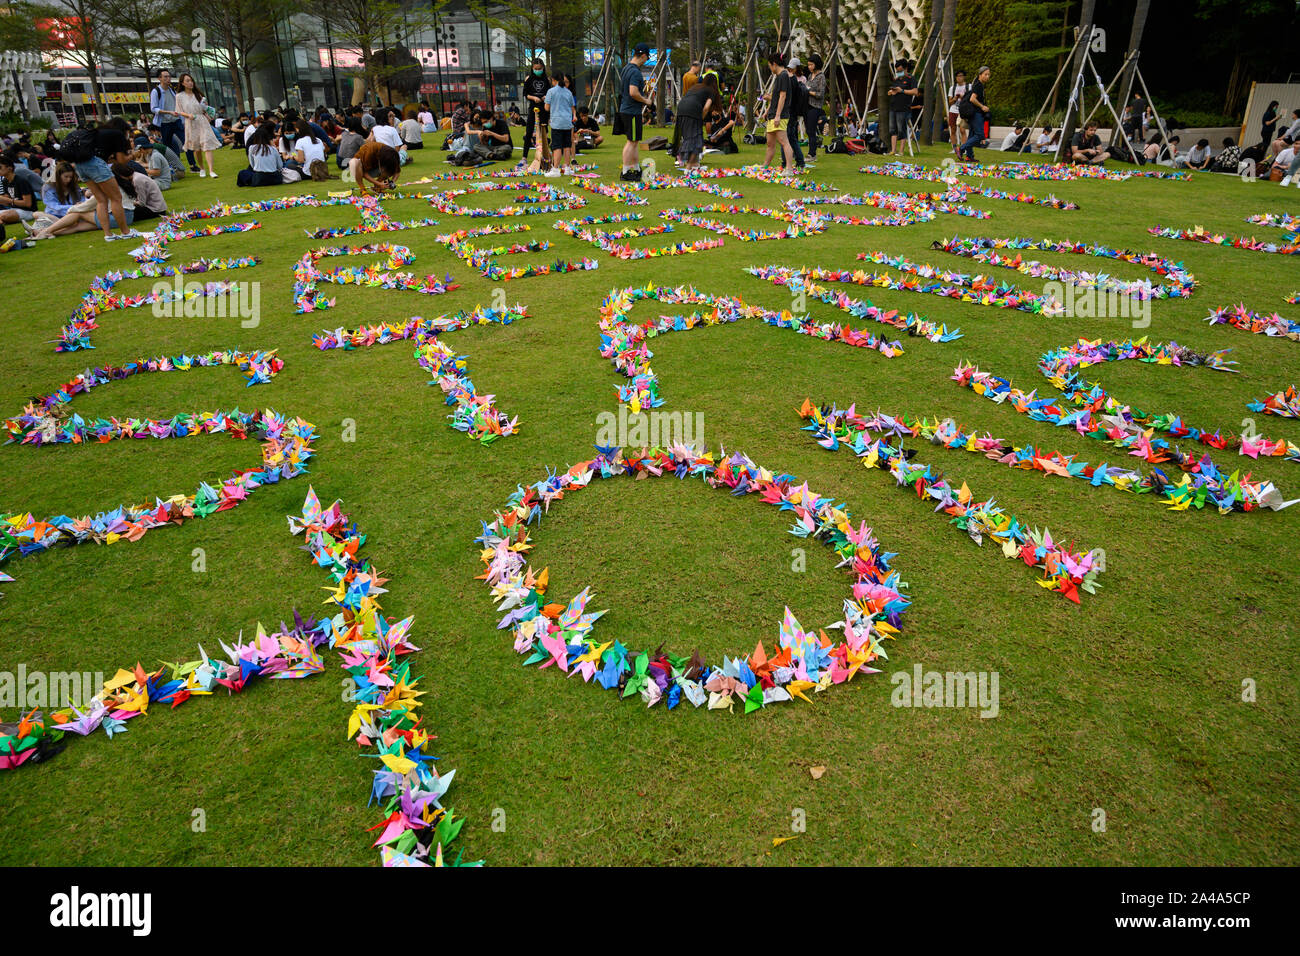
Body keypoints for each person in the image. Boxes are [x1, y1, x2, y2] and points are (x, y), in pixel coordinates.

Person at [618, 43, 654, 181]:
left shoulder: (626, 68)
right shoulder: (635, 72)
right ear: (643, 55)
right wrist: (646, 101)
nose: (646, 61)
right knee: (631, 142)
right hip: (632, 111)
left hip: (626, 109)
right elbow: (633, 92)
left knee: (634, 141)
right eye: (646, 58)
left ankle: (637, 169)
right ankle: (626, 171)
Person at [175, 73, 220, 177]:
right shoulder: (179, 96)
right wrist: (188, 115)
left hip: (202, 121)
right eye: (187, 81)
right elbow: (178, 111)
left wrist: (208, 112)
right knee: (197, 148)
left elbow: (204, 108)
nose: (190, 83)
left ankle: (211, 170)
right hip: (191, 122)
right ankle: (202, 168)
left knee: (207, 145)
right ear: (182, 83)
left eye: (191, 80)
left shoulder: (199, 95)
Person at [761, 52, 797, 171]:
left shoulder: (783, 76)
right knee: (770, 143)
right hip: (773, 114)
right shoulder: (779, 76)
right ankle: (765, 166)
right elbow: (776, 97)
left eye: (770, 66)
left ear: (774, 64)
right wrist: (768, 110)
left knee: (784, 142)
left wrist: (777, 116)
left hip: (780, 115)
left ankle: (789, 168)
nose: (770, 68)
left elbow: (783, 96)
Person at [674, 71, 716, 170]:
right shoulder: (711, 91)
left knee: (688, 136)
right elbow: (706, 108)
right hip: (693, 110)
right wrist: (701, 118)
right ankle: (689, 166)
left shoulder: (696, 86)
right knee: (696, 139)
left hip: (681, 108)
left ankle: (695, 164)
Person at [150, 69, 186, 162]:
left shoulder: (172, 90)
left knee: (186, 142)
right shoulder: (156, 91)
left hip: (176, 120)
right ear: (159, 78)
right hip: (165, 123)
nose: (168, 78)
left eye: (169, 76)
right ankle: (172, 164)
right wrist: (168, 112)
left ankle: (192, 165)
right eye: (165, 77)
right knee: (168, 145)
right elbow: (154, 109)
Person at [544, 72, 577, 174]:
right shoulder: (568, 92)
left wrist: (546, 100)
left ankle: (555, 169)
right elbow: (572, 108)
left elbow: (546, 108)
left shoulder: (551, 91)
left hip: (557, 123)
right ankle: (567, 168)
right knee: (567, 146)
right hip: (567, 122)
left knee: (557, 146)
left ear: (554, 80)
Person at [958, 66, 990, 161]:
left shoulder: (978, 84)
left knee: (972, 135)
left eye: (989, 75)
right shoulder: (978, 85)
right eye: (985, 74)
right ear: (980, 75)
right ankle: (961, 149)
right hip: (976, 114)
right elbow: (972, 99)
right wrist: (982, 106)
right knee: (979, 135)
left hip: (974, 114)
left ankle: (970, 156)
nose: (987, 76)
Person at [887, 59, 918, 156]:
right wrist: (891, 92)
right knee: (892, 129)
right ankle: (893, 150)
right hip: (893, 107)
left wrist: (902, 91)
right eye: (897, 71)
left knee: (901, 129)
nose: (899, 73)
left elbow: (915, 92)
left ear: (906, 69)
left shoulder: (911, 78)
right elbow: (893, 91)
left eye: (900, 71)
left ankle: (901, 151)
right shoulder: (896, 80)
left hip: (904, 109)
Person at [0, 153, 38, 229]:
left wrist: (9, 200)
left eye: (0, 167)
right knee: (4, 215)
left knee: (4, 216)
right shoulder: (5, 181)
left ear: (9, 168)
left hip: (28, 212)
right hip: (14, 210)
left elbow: (27, 204)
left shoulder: (21, 181)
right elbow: (7, 201)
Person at [523, 59, 550, 152]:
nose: (538, 70)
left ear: (543, 68)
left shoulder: (547, 79)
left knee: (544, 130)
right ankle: (524, 157)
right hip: (533, 107)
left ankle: (544, 154)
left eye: (540, 68)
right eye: (536, 68)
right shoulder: (528, 79)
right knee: (529, 131)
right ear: (532, 68)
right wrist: (534, 98)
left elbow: (550, 93)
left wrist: (545, 97)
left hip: (544, 108)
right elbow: (525, 94)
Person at [785, 60, 807, 169]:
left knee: (789, 138)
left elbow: (787, 97)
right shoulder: (793, 79)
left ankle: (798, 160)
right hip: (793, 112)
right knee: (788, 137)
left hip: (791, 112)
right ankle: (788, 161)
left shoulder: (793, 80)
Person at [805, 54, 827, 160]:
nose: (809, 67)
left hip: (815, 106)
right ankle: (811, 152)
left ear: (816, 64)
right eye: (808, 65)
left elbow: (820, 94)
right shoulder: (810, 76)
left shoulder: (821, 77)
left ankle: (812, 154)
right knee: (808, 130)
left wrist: (809, 91)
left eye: (811, 64)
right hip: (807, 105)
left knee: (811, 130)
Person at [947, 69, 968, 152]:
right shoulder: (952, 88)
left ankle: (963, 148)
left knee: (962, 130)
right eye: (957, 76)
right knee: (953, 130)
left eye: (961, 76)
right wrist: (955, 98)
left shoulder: (968, 87)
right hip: (953, 110)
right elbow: (950, 102)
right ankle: (954, 148)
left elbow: (970, 99)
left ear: (964, 77)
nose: (959, 78)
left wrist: (963, 97)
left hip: (963, 111)